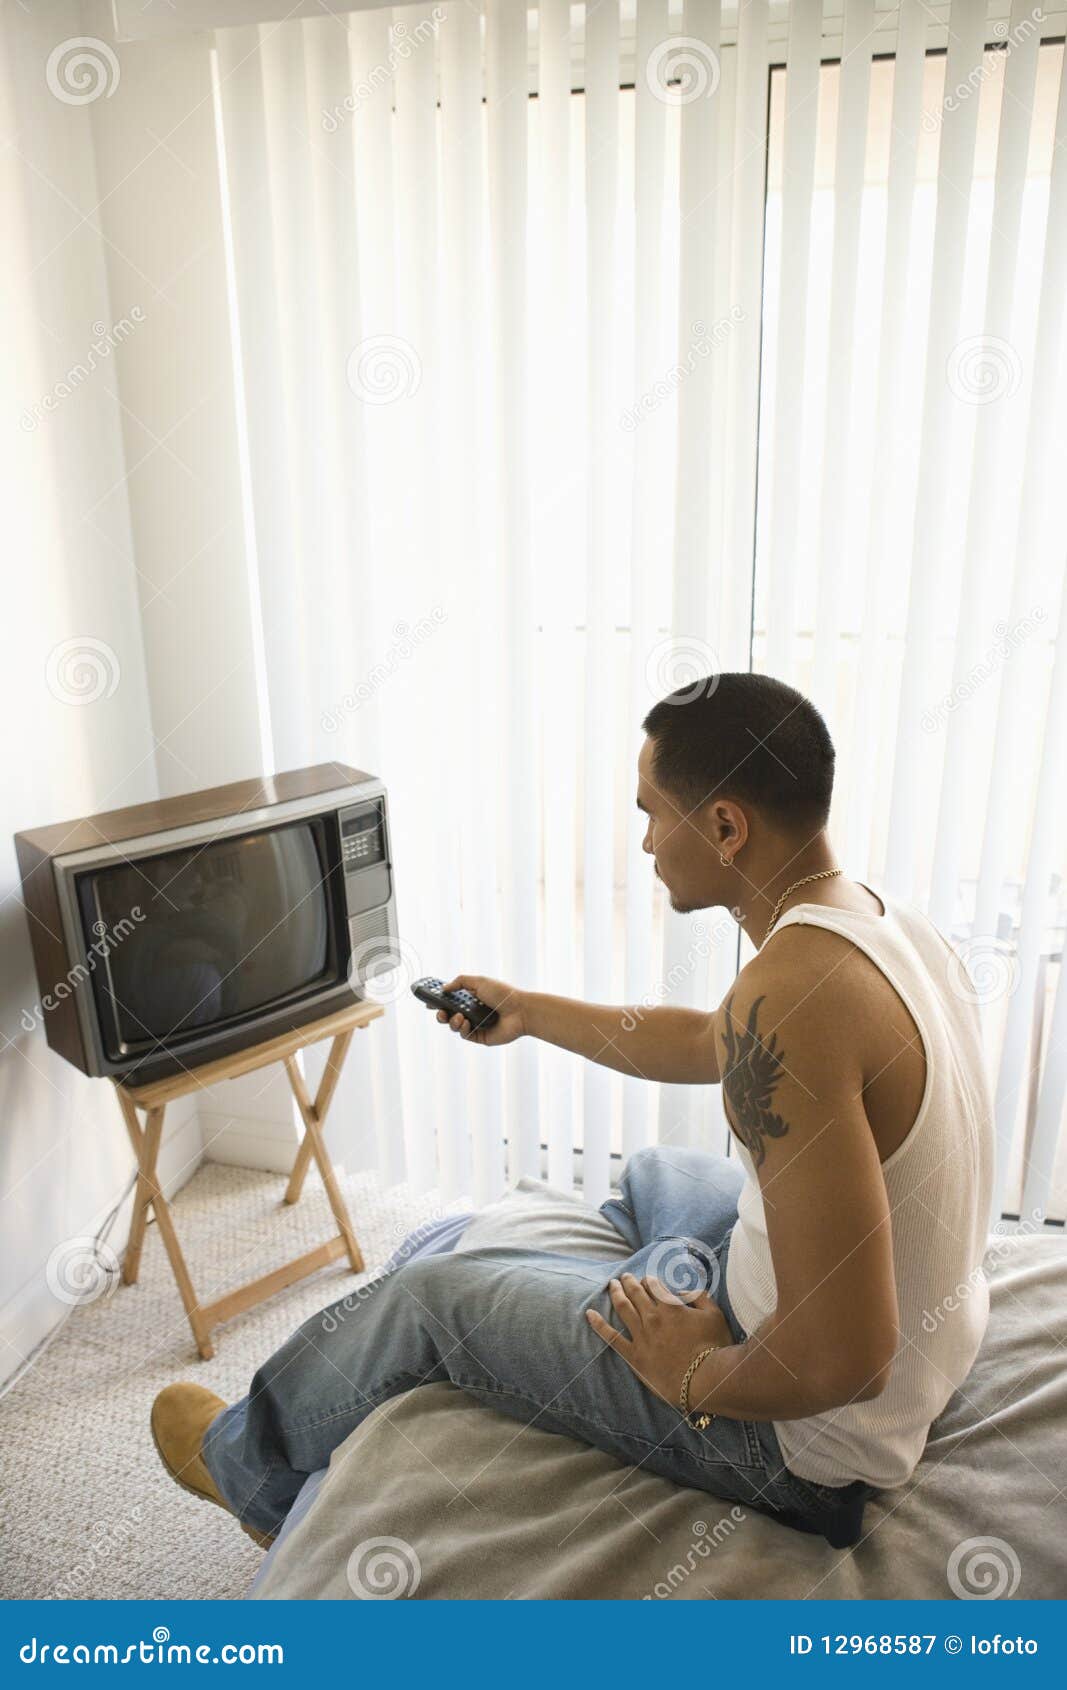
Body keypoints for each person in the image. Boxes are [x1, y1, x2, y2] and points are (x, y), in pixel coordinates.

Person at [151, 672, 994, 1552]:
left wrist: (695, 1369)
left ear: (724, 826)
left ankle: (240, 1465)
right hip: (913, 1354)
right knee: (659, 1174)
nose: (643, 843)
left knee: (429, 1297)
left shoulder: (792, 997)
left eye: (651, 813)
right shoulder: (878, 923)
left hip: (802, 1440)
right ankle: (641, 1282)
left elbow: (847, 1360)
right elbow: (717, 1040)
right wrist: (528, 1011)